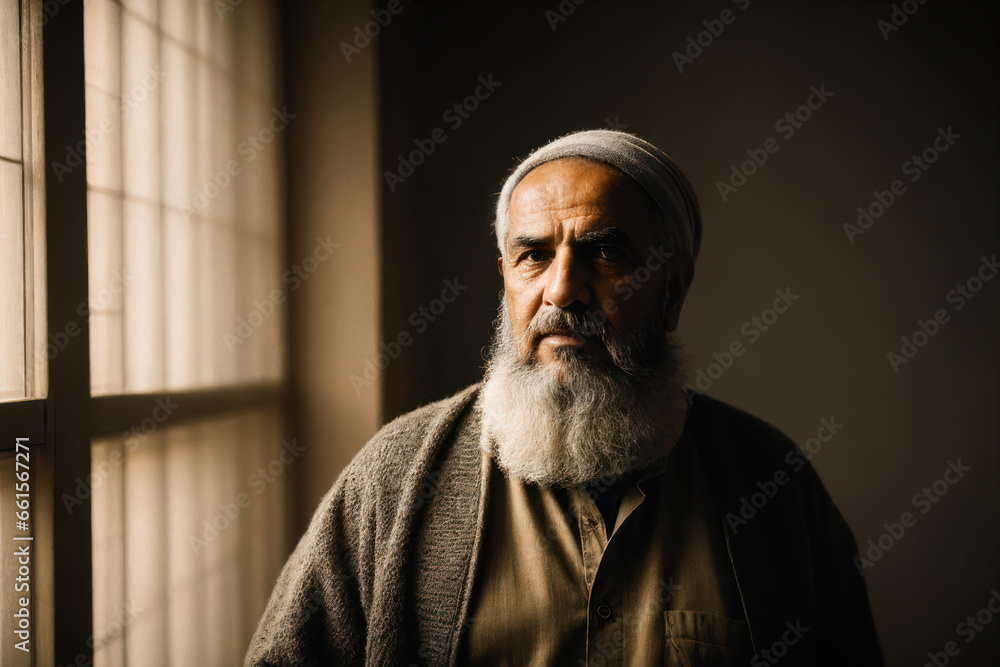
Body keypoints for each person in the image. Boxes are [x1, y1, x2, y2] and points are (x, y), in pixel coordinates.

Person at [245, 130, 883, 666]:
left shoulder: (770, 481)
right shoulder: (398, 475)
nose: (562, 291)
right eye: (533, 255)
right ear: (506, 282)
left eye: (606, 254)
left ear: (673, 290)